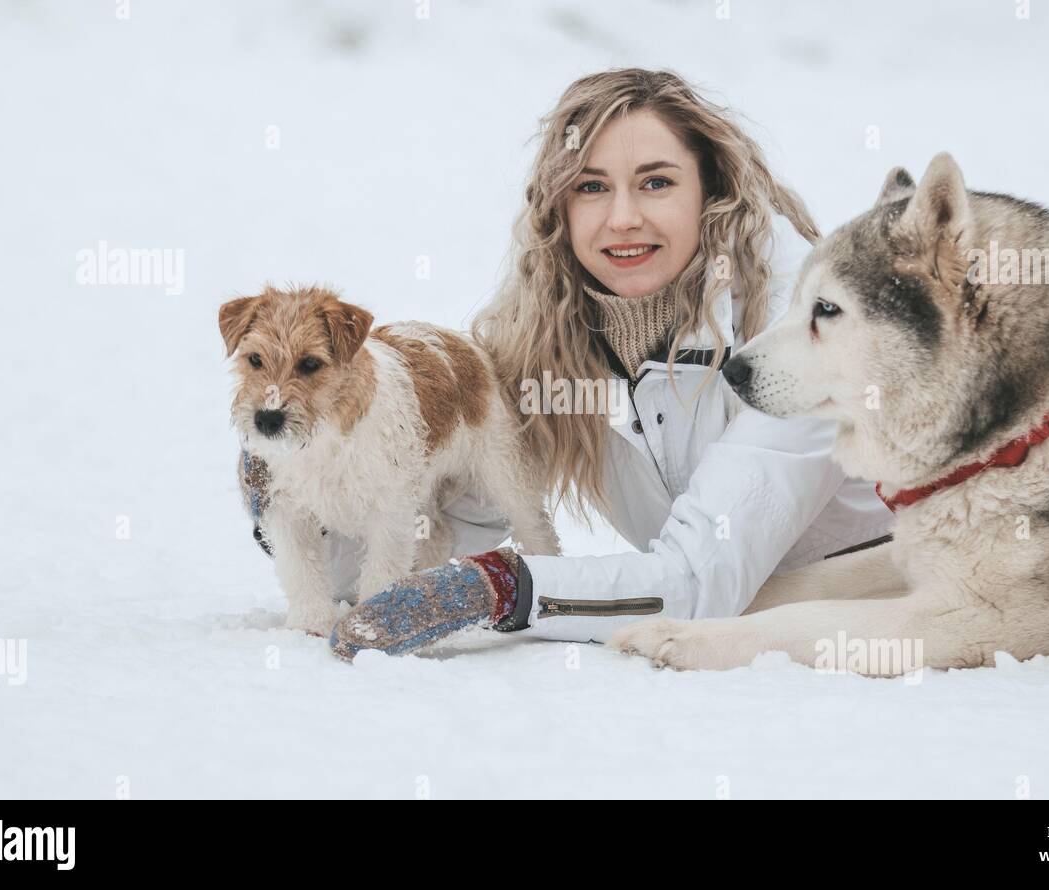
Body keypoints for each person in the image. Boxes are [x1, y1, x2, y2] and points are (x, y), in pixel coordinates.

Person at [241, 68, 893, 657]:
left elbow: (699, 580)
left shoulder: (803, 327)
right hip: (752, 603)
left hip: (862, 609)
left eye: (657, 182)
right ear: (559, 208)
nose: (623, 218)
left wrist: (502, 587)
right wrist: (309, 495)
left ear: (711, 189)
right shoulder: (559, 329)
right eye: (591, 187)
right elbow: (446, 519)